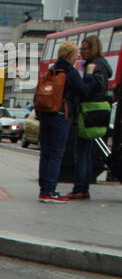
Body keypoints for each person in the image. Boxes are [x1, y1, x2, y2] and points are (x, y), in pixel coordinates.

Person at [37, 40, 88, 202]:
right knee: (56, 154)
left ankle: (43, 189)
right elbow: (83, 91)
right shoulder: (70, 72)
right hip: (60, 115)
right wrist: (91, 76)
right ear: (70, 55)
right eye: (75, 55)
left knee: (45, 153)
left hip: (45, 114)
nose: (76, 57)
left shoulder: (52, 70)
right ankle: (50, 191)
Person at [63, 34, 113, 201]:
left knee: (82, 153)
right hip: (95, 111)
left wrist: (88, 76)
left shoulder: (95, 66)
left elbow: (87, 89)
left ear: (92, 48)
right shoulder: (101, 65)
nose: (81, 52)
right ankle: (82, 187)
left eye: (84, 49)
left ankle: (80, 188)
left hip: (88, 112)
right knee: (86, 151)